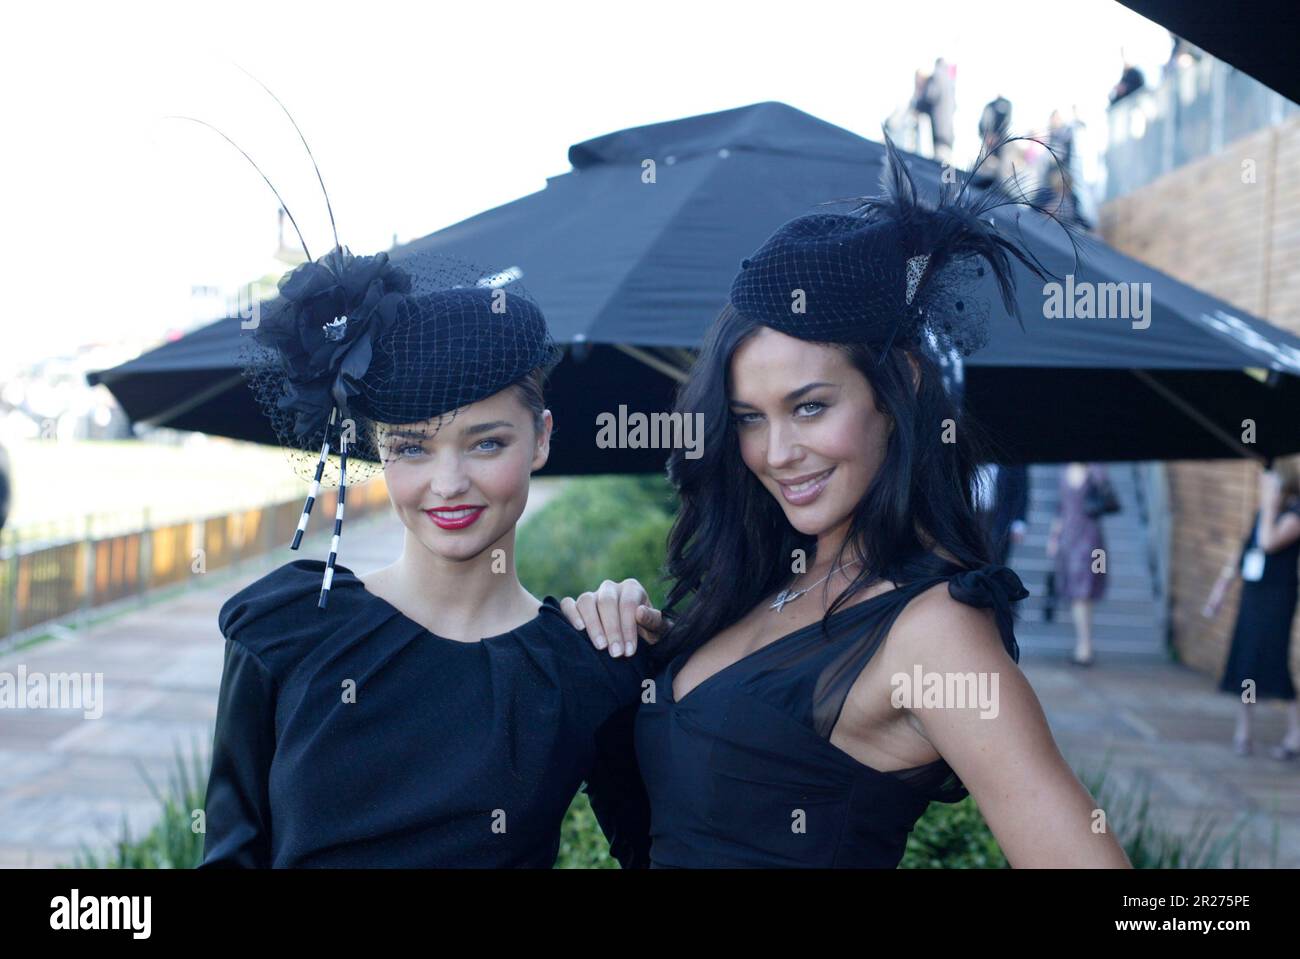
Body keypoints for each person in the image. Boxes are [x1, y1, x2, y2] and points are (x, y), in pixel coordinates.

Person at [562, 131, 1131, 868]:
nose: (775, 451)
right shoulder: (761, 579)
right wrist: (624, 641)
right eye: (749, 418)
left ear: (901, 391)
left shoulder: (934, 630)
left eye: (809, 406)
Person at [193, 91, 652, 867]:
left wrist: (661, 642)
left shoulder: (586, 665)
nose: (449, 483)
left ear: (540, 439)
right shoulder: (291, 628)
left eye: (486, 442)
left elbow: (665, 848)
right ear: (377, 451)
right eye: (411, 448)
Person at [1206, 456, 1300, 759]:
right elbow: (1244, 551)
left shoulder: (1294, 514)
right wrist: (1220, 589)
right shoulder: (1263, 512)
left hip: (1277, 599)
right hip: (1253, 596)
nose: (1263, 484)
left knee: (1273, 663)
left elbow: (1268, 542)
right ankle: (1243, 731)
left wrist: (1271, 505)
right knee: (1246, 661)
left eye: (1268, 479)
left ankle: (1295, 734)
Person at [1046, 462, 1113, 666]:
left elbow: (1106, 497)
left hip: (1091, 537)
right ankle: (1084, 645)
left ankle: (1084, 646)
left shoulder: (1096, 470)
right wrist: (1054, 537)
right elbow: (1061, 507)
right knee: (1076, 591)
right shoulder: (1064, 470)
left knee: (1084, 590)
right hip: (1069, 535)